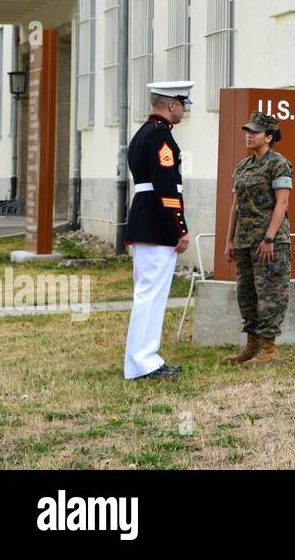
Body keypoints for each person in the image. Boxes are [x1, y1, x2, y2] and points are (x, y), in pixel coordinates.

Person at [123, 81, 193, 381]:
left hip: (145, 218)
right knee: (151, 295)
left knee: (146, 294)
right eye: (183, 104)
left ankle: (140, 360)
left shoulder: (143, 133)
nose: (184, 110)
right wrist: (180, 228)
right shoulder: (161, 137)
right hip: (156, 222)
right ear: (172, 104)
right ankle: (144, 362)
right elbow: (167, 187)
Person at [222, 111, 294, 366]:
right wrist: (229, 240)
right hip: (245, 241)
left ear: (269, 136)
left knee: (270, 294)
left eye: (254, 131)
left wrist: (270, 238)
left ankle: (269, 350)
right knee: (247, 294)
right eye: (247, 131)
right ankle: (252, 346)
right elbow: (235, 206)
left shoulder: (278, 164)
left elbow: (282, 203)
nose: (249, 135)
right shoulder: (243, 166)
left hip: (269, 243)